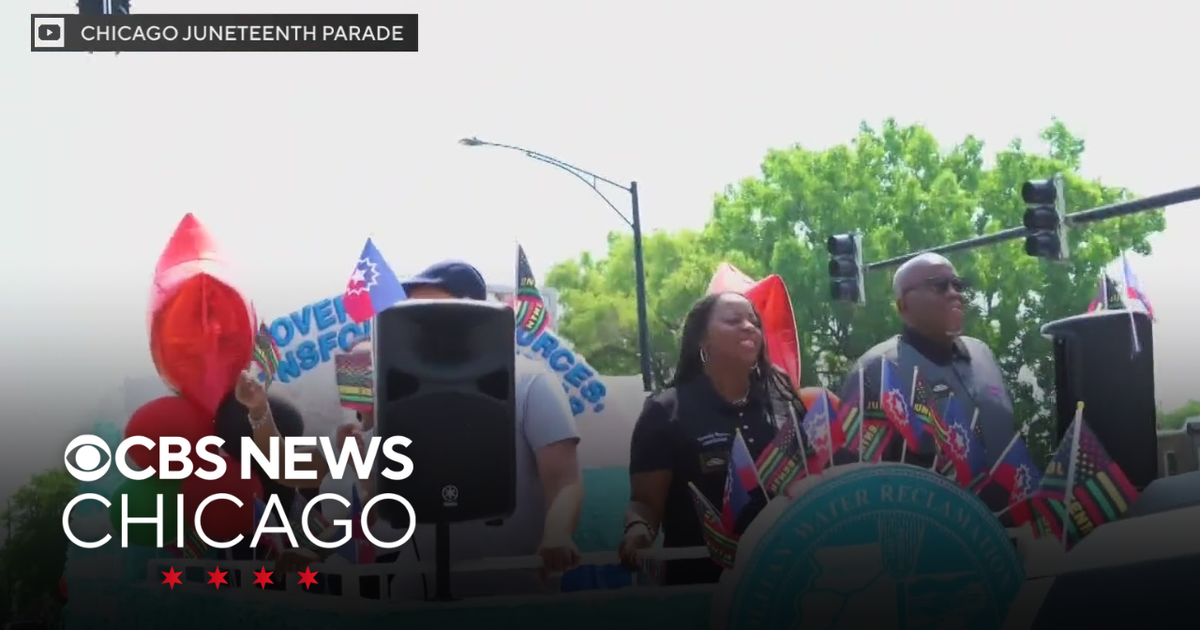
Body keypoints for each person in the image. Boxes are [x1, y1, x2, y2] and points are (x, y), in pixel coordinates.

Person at [242, 259, 585, 597]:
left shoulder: (531, 382)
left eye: (427, 306)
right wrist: (258, 410)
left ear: (472, 310)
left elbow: (564, 480)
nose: (415, 318)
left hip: (511, 594)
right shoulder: (400, 393)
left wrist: (556, 535)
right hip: (415, 596)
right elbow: (321, 480)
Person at [618, 292, 817, 586]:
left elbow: (811, 477)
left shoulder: (784, 400)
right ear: (703, 340)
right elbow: (645, 505)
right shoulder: (666, 410)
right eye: (734, 320)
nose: (749, 327)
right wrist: (638, 531)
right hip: (700, 588)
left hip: (785, 584)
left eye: (753, 321)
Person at [839, 253, 1015, 467]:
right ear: (903, 305)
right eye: (939, 286)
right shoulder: (876, 372)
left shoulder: (983, 354)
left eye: (957, 285)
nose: (954, 294)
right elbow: (852, 472)